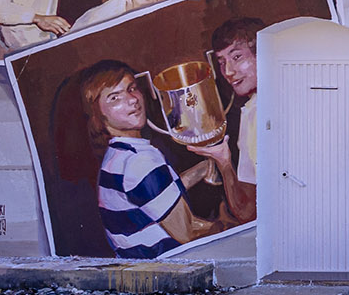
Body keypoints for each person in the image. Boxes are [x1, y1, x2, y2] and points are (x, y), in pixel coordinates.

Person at [81, 60, 238, 257]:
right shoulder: (139, 162)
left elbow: (160, 192)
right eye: (115, 98)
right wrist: (229, 225)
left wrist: (204, 167)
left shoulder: (119, 154)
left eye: (132, 89)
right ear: (98, 114)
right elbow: (188, 231)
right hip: (167, 266)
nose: (132, 100)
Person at [211, 17, 263, 222]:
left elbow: (248, 212)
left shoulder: (259, 112)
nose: (228, 72)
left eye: (237, 57)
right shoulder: (251, 110)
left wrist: (224, 164)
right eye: (222, 63)